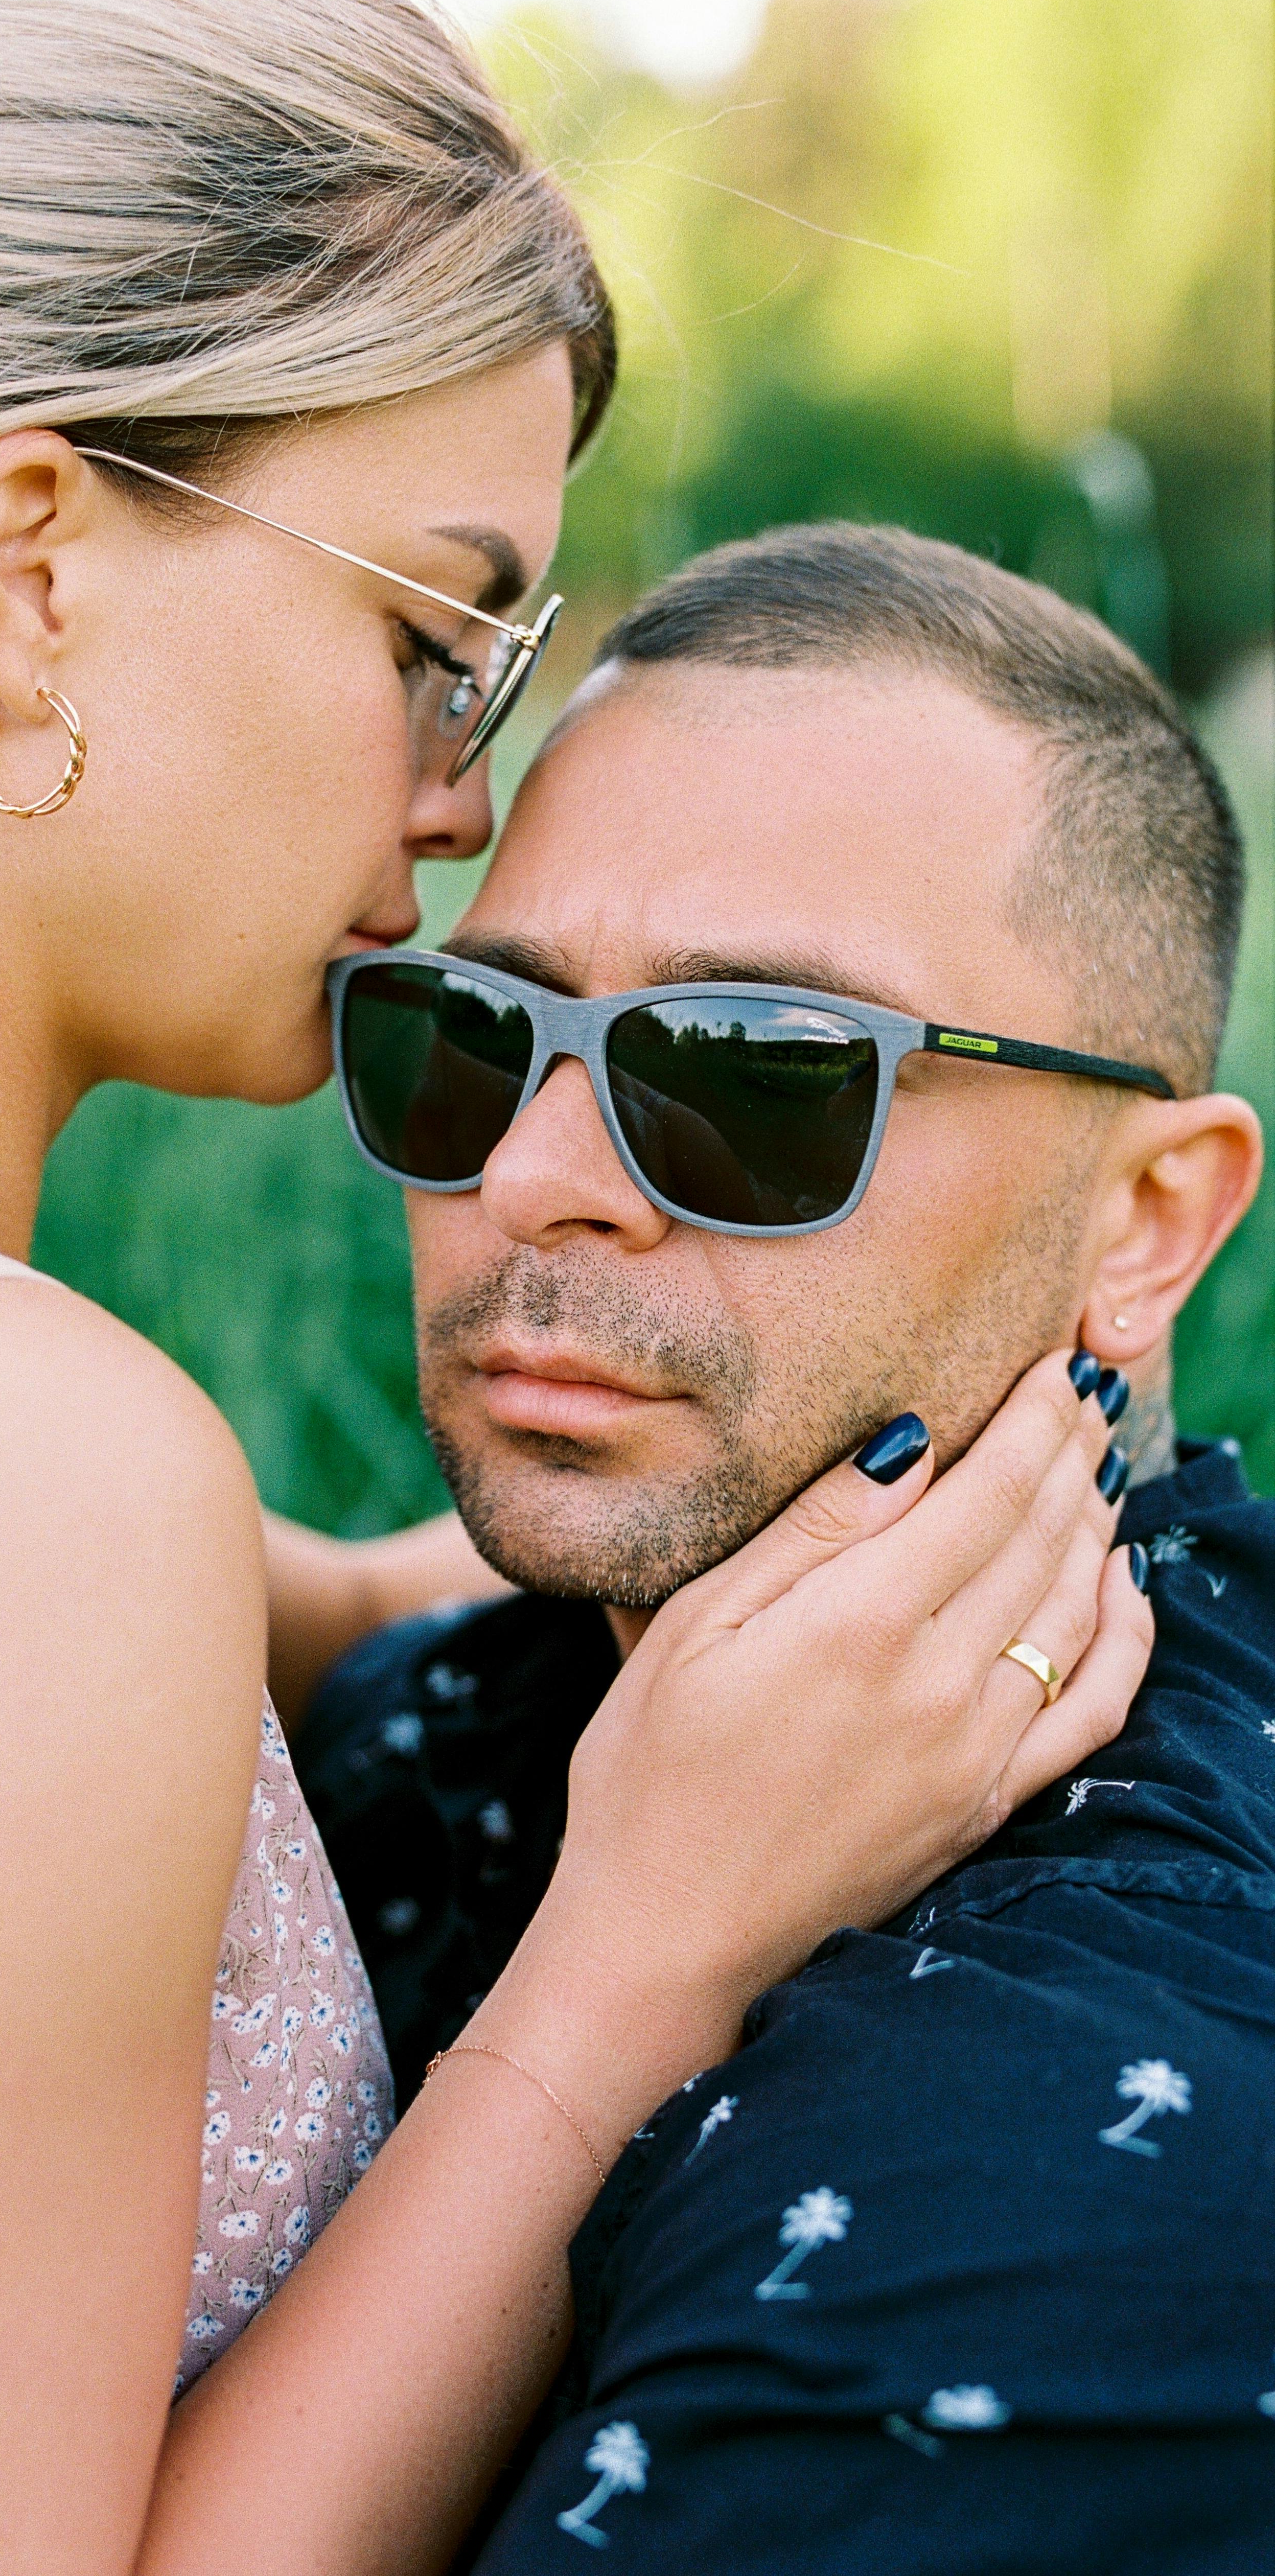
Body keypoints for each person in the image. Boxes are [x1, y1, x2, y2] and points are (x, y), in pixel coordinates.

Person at [0, 0, 1153, 2560]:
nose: (460, 789)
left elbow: (223, 1620)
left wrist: (748, 1501)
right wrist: (642, 1947)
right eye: (434, 631)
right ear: (33, 564)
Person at [297, 524, 1273, 2567]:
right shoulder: (464, 1693)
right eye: (471, 1033)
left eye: (756, 1073)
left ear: (1150, 1221)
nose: (536, 1177)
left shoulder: (1065, 2152)